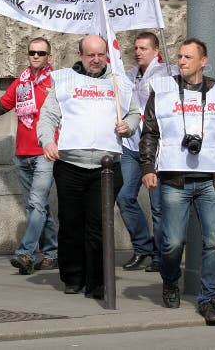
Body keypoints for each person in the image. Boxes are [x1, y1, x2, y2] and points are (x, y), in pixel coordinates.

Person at [138, 38, 215, 326]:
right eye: (179, 56)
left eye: (188, 57)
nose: (181, 61)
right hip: (174, 179)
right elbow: (150, 131)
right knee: (171, 243)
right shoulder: (164, 90)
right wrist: (147, 165)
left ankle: (208, 299)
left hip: (211, 181)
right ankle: (170, 280)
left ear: (203, 61)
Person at [37, 35, 140, 300]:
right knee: (71, 224)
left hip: (106, 169)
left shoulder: (120, 83)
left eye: (101, 55)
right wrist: (47, 141)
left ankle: (97, 282)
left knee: (99, 226)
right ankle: (73, 276)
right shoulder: (65, 81)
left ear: (107, 55)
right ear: (80, 55)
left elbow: (134, 113)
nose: (96, 60)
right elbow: (48, 116)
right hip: (71, 165)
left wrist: (128, 125)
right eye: (90, 55)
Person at [0, 37, 59, 275]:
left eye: (41, 53)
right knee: (37, 205)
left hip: (45, 152)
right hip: (22, 154)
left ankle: (25, 252)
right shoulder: (21, 82)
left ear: (49, 56)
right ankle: (52, 253)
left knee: (36, 203)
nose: (36, 56)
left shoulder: (57, 82)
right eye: (32, 53)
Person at [116, 32, 168, 272]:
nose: (138, 52)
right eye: (136, 48)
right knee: (125, 196)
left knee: (158, 206)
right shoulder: (128, 75)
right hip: (130, 145)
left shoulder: (166, 73)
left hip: (154, 149)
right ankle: (142, 247)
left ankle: (160, 253)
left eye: (143, 48)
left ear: (156, 50)